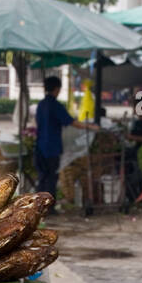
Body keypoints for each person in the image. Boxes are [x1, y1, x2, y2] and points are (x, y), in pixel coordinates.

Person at [33, 76, 97, 206]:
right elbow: (71, 122)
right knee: (51, 178)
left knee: (42, 178)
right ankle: (48, 208)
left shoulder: (41, 104)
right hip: (51, 147)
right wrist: (90, 127)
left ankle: (37, 208)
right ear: (57, 89)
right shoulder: (55, 106)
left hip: (40, 146)